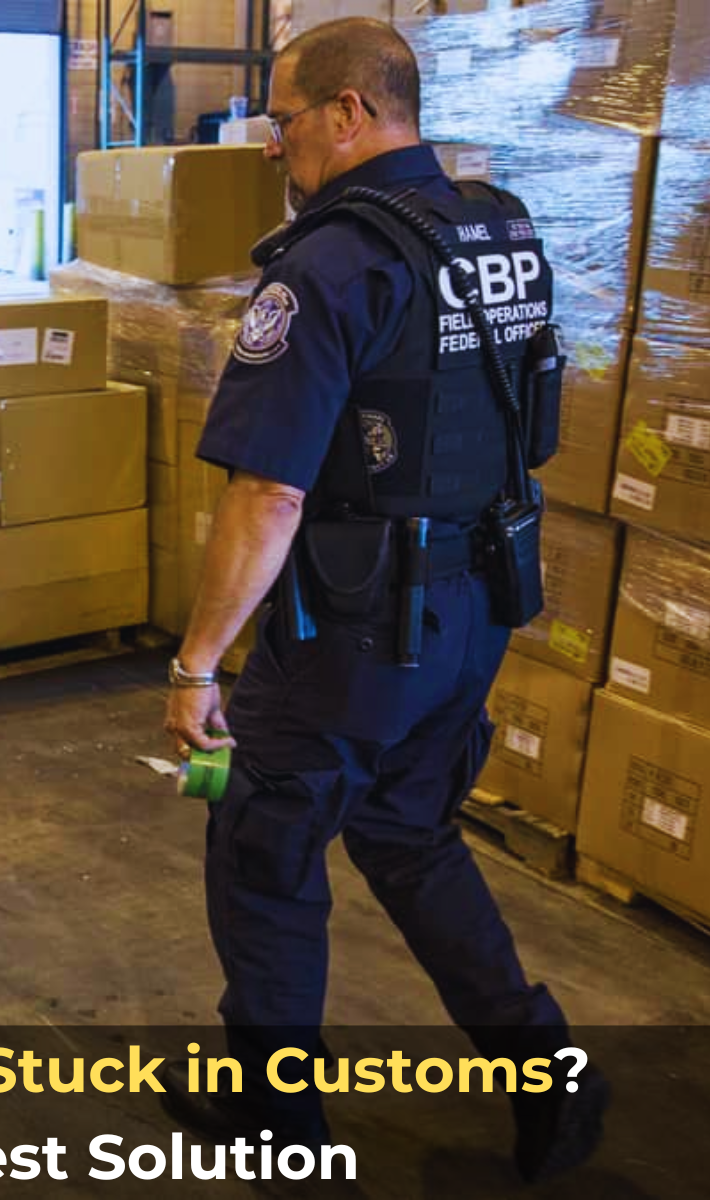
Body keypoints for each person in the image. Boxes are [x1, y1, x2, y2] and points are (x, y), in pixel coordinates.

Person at [160, 17, 608, 1183]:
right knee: (410, 836)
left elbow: (270, 491)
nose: (275, 144)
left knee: (265, 847)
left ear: (349, 112)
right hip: (477, 604)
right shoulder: (496, 228)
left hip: (356, 632)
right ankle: (548, 1073)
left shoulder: (330, 265)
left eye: (285, 119)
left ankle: (275, 1122)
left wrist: (197, 664)